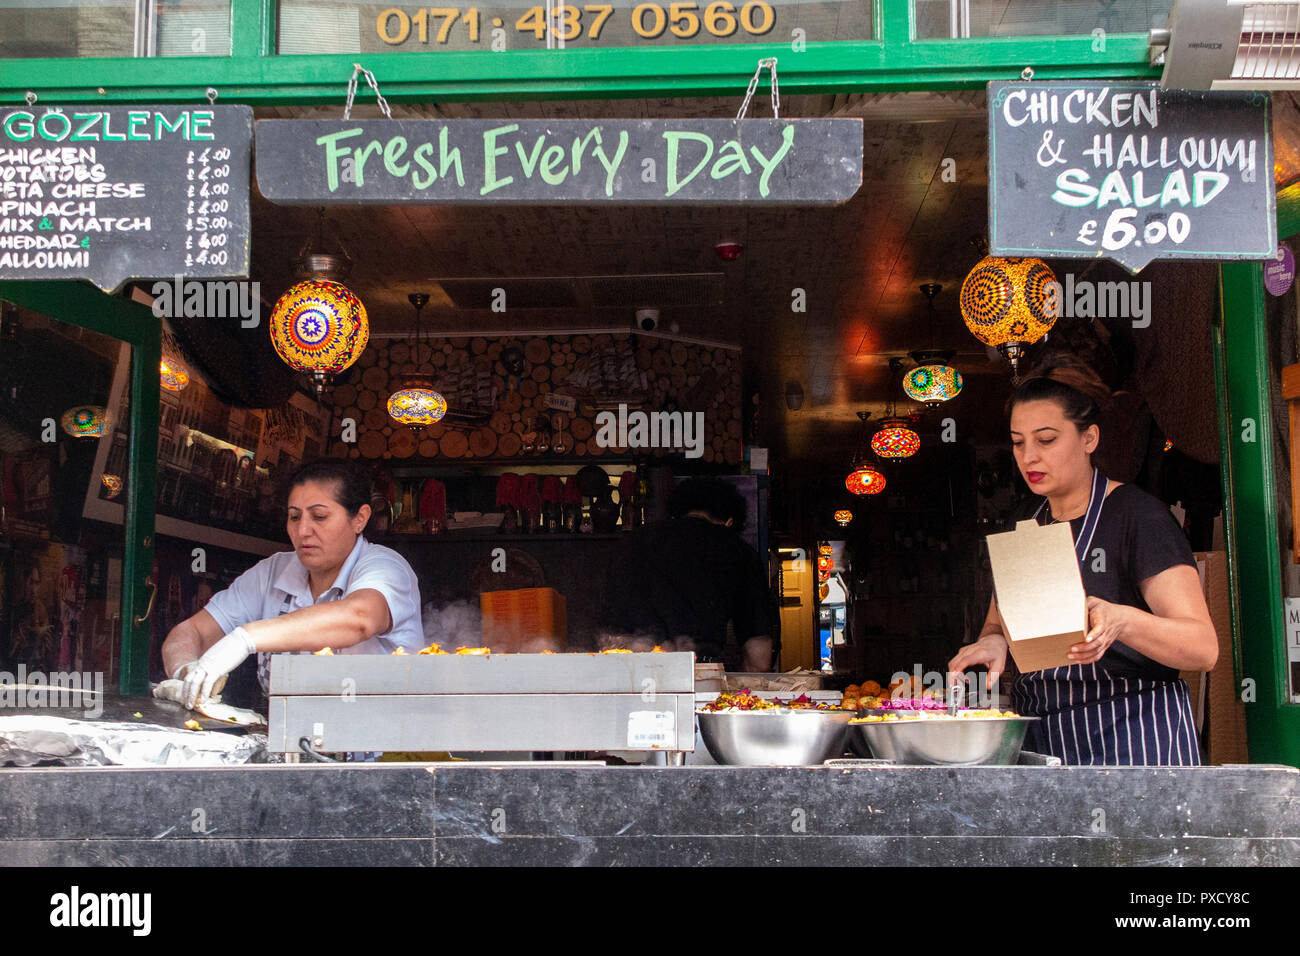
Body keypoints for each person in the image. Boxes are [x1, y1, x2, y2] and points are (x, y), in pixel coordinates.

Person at [947, 354, 1217, 765]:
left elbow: (1202, 648)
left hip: (1133, 737)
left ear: (1089, 438)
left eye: (1047, 439)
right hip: (1045, 735)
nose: (1029, 457)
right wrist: (992, 642)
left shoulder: (1138, 517)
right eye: (1019, 442)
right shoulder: (1025, 521)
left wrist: (1123, 621)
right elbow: (997, 621)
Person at [161, 459, 426, 710]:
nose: (303, 531)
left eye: (319, 517)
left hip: (380, 750)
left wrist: (244, 639)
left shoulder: (385, 567)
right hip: (289, 748)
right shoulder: (272, 572)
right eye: (294, 517)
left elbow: (360, 618)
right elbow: (190, 631)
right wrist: (187, 673)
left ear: (360, 518)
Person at [601, 476, 775, 672]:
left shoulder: (631, 544)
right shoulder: (738, 551)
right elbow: (759, 655)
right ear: (729, 521)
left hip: (629, 671)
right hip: (700, 675)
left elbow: (609, 626)